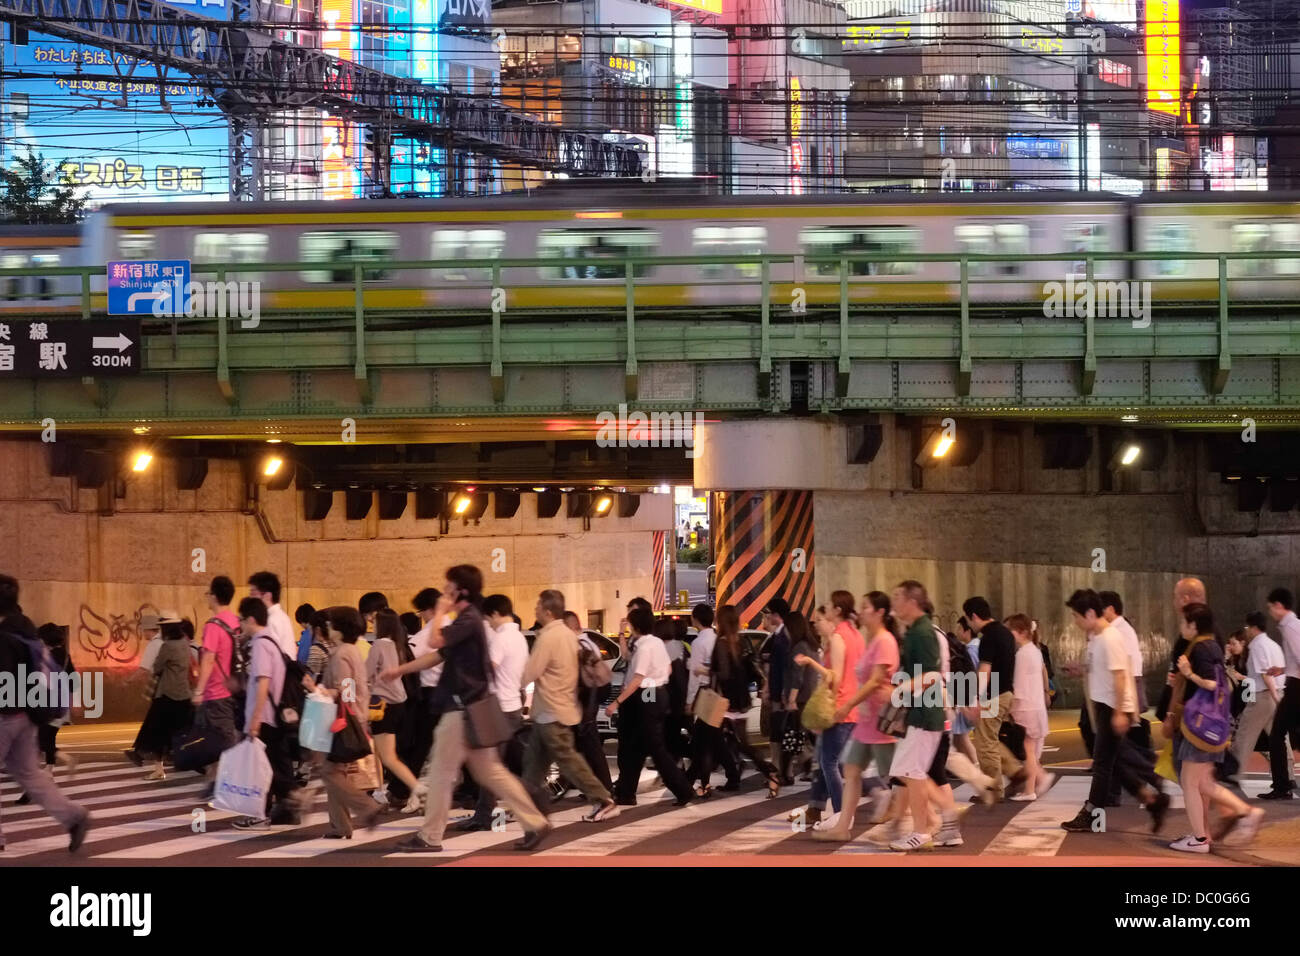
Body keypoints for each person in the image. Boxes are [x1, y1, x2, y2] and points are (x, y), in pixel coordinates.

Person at [389, 565, 550, 852]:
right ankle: (535, 821)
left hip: (461, 709)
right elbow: (438, 656)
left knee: (440, 772)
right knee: (491, 772)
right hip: (472, 707)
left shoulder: (468, 619)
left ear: (460, 590)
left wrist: (439, 610)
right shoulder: (470, 620)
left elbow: (435, 641)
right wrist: (399, 670)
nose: (444, 591)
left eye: (447, 586)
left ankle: (429, 836)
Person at [1060, 589, 1169, 834]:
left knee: (1103, 764)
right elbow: (1102, 668)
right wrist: (1081, 669)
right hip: (1104, 706)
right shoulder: (1097, 638)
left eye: (1077, 616)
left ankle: (1091, 812)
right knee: (1115, 762)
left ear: (1089, 613)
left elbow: (1121, 676)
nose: (1075, 622)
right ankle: (1152, 798)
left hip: (1111, 707)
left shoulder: (1110, 638)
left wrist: (1120, 712)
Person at [0, 574, 91, 853]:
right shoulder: (28, 631)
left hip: (5, 715)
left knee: (29, 774)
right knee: (30, 774)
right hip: (28, 716)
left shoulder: (3, 637)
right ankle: (74, 817)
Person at [1164, 603, 1263, 851]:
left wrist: (1188, 673)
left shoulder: (1200, 647)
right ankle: (1245, 812)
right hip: (1211, 726)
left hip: (1199, 726)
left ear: (1194, 625)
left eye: (1184, 623)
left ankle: (1199, 840)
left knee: (1189, 783)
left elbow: (1212, 685)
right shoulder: (1212, 645)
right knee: (1204, 784)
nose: (1181, 627)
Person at [519, 589, 620, 822]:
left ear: (546, 611)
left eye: (537, 606)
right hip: (561, 708)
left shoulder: (548, 637)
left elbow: (530, 673)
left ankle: (603, 798)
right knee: (534, 768)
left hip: (551, 711)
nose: (534, 610)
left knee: (568, 760)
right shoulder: (568, 635)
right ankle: (532, 817)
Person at [813, 591, 899, 841]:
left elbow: (844, 677)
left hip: (857, 711)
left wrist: (837, 702)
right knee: (849, 767)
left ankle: (938, 812)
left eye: (866, 606)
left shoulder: (847, 636)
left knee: (831, 762)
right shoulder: (860, 636)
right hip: (861, 714)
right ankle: (845, 820)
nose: (861, 611)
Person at [885, 580, 960, 852]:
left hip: (926, 714)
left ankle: (926, 828)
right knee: (908, 772)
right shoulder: (917, 630)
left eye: (897, 596)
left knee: (911, 772)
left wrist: (899, 689)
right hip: (921, 713)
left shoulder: (923, 633)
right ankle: (938, 820)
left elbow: (930, 675)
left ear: (912, 602)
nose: (893, 602)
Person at [303, 606, 383, 839]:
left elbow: (344, 689)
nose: (328, 627)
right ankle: (340, 826)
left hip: (342, 719)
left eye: (331, 624)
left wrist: (315, 689)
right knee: (336, 771)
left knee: (330, 772)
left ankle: (367, 809)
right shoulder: (351, 650)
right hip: (352, 716)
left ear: (339, 628)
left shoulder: (340, 654)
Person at [607, 606, 695, 807]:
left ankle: (682, 790)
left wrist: (617, 702)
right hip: (655, 692)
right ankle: (626, 793)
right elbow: (668, 668)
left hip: (649, 693)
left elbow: (637, 679)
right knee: (636, 745)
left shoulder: (646, 647)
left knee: (653, 745)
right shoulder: (654, 642)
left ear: (635, 626)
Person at [456, 593, 530, 830]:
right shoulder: (519, 637)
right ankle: (485, 813)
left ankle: (489, 813)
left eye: (489, 618)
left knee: (490, 767)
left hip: (498, 708)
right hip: (512, 707)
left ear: (496, 614)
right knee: (495, 765)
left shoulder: (501, 639)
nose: (488, 623)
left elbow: (487, 671)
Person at [693, 605, 780, 799]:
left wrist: (703, 671)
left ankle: (706, 785)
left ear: (721, 621)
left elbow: (723, 674)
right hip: (738, 701)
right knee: (736, 744)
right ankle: (768, 773)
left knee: (709, 742)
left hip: (721, 702)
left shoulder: (722, 643)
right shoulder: (738, 641)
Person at [793, 592, 863, 830]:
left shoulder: (839, 637)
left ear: (837, 611)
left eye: (829, 608)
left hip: (839, 706)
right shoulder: (855, 635)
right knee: (828, 760)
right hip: (850, 705)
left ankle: (842, 813)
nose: (817, 622)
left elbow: (836, 677)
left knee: (829, 762)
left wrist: (811, 663)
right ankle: (818, 809)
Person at [231, 596, 298, 829]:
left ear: (250, 619)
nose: (240, 625)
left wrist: (255, 719)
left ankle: (270, 810)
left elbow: (262, 682)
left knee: (261, 769)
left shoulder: (260, 643)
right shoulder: (272, 641)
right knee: (274, 766)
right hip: (274, 716)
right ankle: (287, 806)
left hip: (265, 717)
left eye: (241, 620)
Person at [961, 596, 1024, 801]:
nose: (969, 625)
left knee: (985, 743)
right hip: (1006, 692)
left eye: (968, 620)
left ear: (974, 616)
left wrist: (976, 699)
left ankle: (994, 790)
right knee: (991, 738)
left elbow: (985, 670)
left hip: (993, 695)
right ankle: (1015, 770)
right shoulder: (1005, 632)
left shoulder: (988, 637)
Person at [366, 608, 425, 815]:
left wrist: (350, 691)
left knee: (388, 757)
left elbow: (366, 674)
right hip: (400, 704)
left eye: (374, 622)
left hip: (384, 706)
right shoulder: (398, 646)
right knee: (391, 755)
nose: (372, 626)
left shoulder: (379, 645)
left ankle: (416, 789)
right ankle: (414, 791)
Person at [190, 576, 242, 794]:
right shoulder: (236, 622)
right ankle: (215, 782)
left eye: (208, 593)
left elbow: (209, 659)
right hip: (234, 688)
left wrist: (199, 690)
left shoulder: (213, 625)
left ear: (214, 596)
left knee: (218, 739)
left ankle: (223, 782)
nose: (207, 598)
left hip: (216, 691)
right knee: (221, 737)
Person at [1231, 611, 1292, 790]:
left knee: (1244, 736)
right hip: (1277, 693)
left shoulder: (1257, 646)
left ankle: (1233, 774)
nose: (1247, 631)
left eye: (1247, 627)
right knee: (1279, 738)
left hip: (1264, 696)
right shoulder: (1274, 645)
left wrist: (1273, 696)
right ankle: (1287, 775)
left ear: (1253, 627)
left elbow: (1265, 675)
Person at [133, 613, 195, 781]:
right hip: (184, 693)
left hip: (167, 694)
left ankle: (157, 767)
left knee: (154, 730)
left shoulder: (167, 646)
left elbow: (157, 667)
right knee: (181, 730)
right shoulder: (184, 643)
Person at [1006, 614, 1054, 801]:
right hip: (1035, 706)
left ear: (1021, 632)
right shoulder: (1035, 651)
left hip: (1026, 707)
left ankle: (1032, 788)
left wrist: (1011, 707)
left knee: (1028, 751)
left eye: (1011, 631)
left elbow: (1017, 684)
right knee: (1031, 751)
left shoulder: (1022, 654)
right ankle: (1033, 785)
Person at [565, 610, 614, 792]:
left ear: (570, 627)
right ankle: (588, 784)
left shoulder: (579, 645)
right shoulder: (589, 643)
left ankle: (604, 788)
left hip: (587, 698)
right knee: (582, 743)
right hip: (589, 697)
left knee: (590, 744)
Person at [1262, 587, 1300, 800]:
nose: (1270, 612)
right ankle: (1283, 784)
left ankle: (1282, 786)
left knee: (1277, 734)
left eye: (1270, 607)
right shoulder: (1291, 626)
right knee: (1282, 734)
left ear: (1278, 605)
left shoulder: (1292, 627)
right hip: (1294, 683)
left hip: (1296, 687)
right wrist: (1282, 670)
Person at [782, 611, 819, 784]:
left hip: (801, 698)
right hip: (812, 696)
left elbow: (797, 676)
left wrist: (791, 699)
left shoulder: (799, 647)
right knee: (805, 734)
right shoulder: (812, 645)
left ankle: (787, 773)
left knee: (793, 735)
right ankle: (807, 768)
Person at [1100, 591, 1145, 712]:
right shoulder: (1116, 628)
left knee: (1125, 725)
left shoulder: (1118, 630)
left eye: (1099, 610)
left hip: (1127, 685)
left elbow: (1122, 668)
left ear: (1110, 609)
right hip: (1126, 684)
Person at [762, 598, 793, 772]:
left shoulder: (783, 637)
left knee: (779, 731)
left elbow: (785, 667)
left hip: (780, 692)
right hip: (778, 690)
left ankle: (781, 770)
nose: (768, 616)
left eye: (770, 613)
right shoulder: (779, 635)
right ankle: (783, 770)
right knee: (780, 730)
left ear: (776, 615)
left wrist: (781, 691)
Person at [248, 571, 296, 659]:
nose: (250, 598)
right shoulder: (281, 617)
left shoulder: (272, 621)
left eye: (253, 593)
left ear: (267, 596)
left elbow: (266, 658)